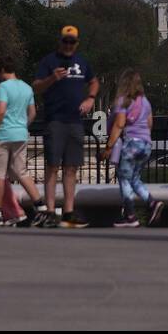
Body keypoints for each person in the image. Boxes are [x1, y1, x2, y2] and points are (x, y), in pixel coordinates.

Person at [34, 25, 99, 228]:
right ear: (60, 42)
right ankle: (51, 211)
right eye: (65, 41)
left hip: (75, 121)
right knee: (52, 166)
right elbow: (36, 86)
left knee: (71, 167)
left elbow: (94, 81)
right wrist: (52, 78)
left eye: (72, 42)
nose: (68, 45)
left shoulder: (82, 62)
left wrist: (90, 98)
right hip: (55, 120)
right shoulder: (48, 61)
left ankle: (69, 211)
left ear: (77, 43)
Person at [0, 59, 44, 228]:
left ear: (2, 70)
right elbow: (32, 113)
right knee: (21, 171)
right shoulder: (27, 88)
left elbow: (1, 111)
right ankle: (40, 205)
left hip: (3, 134)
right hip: (21, 134)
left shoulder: (3, 88)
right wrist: (22, 126)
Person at [99, 69, 162, 228]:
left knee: (124, 179)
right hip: (146, 145)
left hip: (131, 144)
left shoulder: (123, 101)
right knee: (134, 179)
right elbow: (150, 124)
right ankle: (153, 203)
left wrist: (108, 147)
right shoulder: (145, 102)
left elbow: (119, 125)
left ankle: (131, 215)